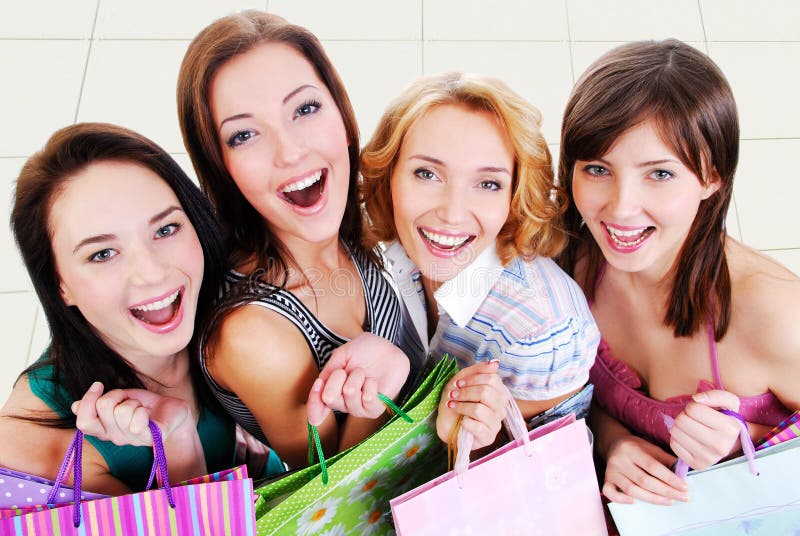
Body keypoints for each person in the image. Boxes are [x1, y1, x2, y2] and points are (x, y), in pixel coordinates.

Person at [557, 39, 800, 506]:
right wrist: (613, 443)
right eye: (597, 169)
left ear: (712, 177)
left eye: (660, 173)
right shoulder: (574, 264)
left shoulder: (773, 312)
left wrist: (740, 442)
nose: (621, 208)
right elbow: (572, 396)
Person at [177, 11, 412, 469]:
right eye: (244, 135)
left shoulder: (345, 213)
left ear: (342, 115)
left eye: (304, 109)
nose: (290, 152)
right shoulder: (254, 335)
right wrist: (383, 387)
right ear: (222, 166)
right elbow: (334, 491)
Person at [0, 123, 246, 496]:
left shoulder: (237, 310)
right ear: (58, 284)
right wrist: (177, 442)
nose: (152, 273)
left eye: (165, 229)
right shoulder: (29, 447)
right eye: (102, 254)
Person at [360, 72, 600, 451]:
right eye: (427, 173)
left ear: (515, 195)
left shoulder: (539, 332)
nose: (452, 214)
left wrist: (478, 441)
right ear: (389, 175)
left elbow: (554, 476)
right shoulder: (387, 252)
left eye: (487, 183)